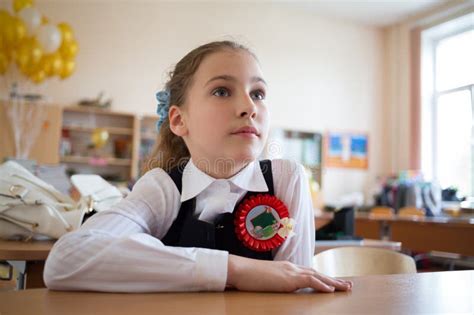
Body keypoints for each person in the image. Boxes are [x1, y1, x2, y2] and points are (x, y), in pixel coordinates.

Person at [44, 40, 353, 293]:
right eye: (221, 91)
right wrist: (235, 269)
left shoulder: (287, 178)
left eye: (257, 93)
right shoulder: (162, 187)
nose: (249, 107)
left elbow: (295, 291)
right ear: (179, 120)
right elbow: (66, 260)